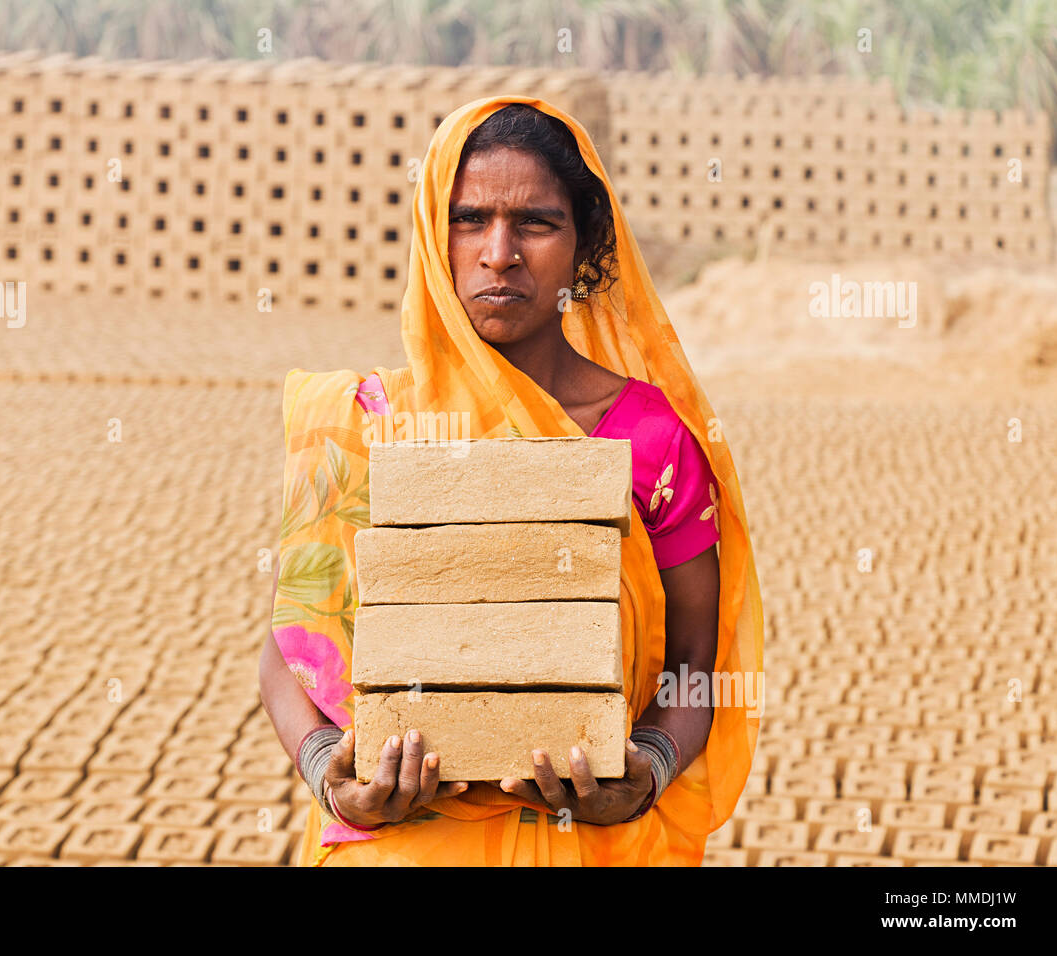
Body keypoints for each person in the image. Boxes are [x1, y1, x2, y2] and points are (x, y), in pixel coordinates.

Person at [259, 95, 764, 866]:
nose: (500, 252)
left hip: (594, 846)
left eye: (536, 222)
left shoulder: (652, 441)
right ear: (435, 233)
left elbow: (697, 658)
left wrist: (648, 768)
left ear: (586, 240)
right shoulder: (366, 422)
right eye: (469, 219)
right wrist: (331, 771)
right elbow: (291, 649)